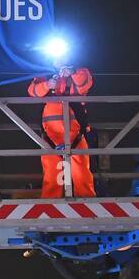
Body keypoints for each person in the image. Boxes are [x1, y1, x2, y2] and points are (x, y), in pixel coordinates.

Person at [27, 66, 96, 198]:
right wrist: (47, 85)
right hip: (50, 139)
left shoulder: (79, 72)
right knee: (52, 178)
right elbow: (32, 92)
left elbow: (85, 83)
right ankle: (50, 208)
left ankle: (87, 208)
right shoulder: (43, 74)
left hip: (76, 137)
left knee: (82, 176)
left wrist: (72, 72)